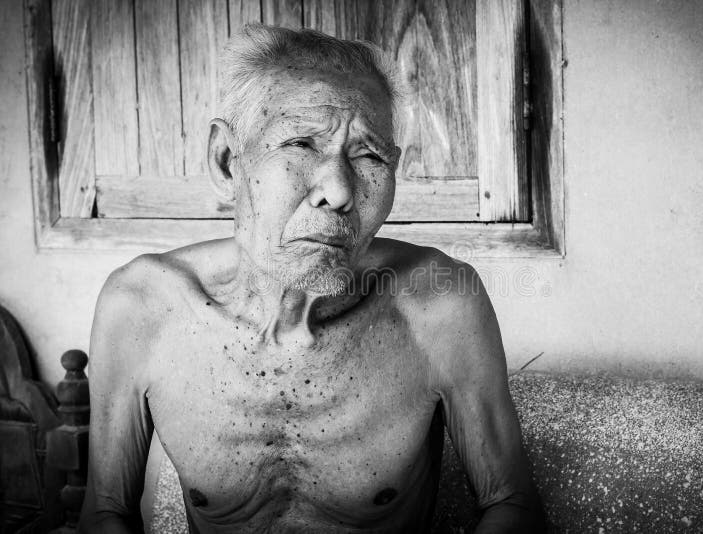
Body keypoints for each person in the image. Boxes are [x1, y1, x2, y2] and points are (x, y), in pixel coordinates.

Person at [79, 24, 543, 533]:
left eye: (370, 155)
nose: (340, 191)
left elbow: (512, 504)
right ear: (227, 161)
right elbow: (105, 513)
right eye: (301, 143)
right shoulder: (142, 306)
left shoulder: (439, 303)